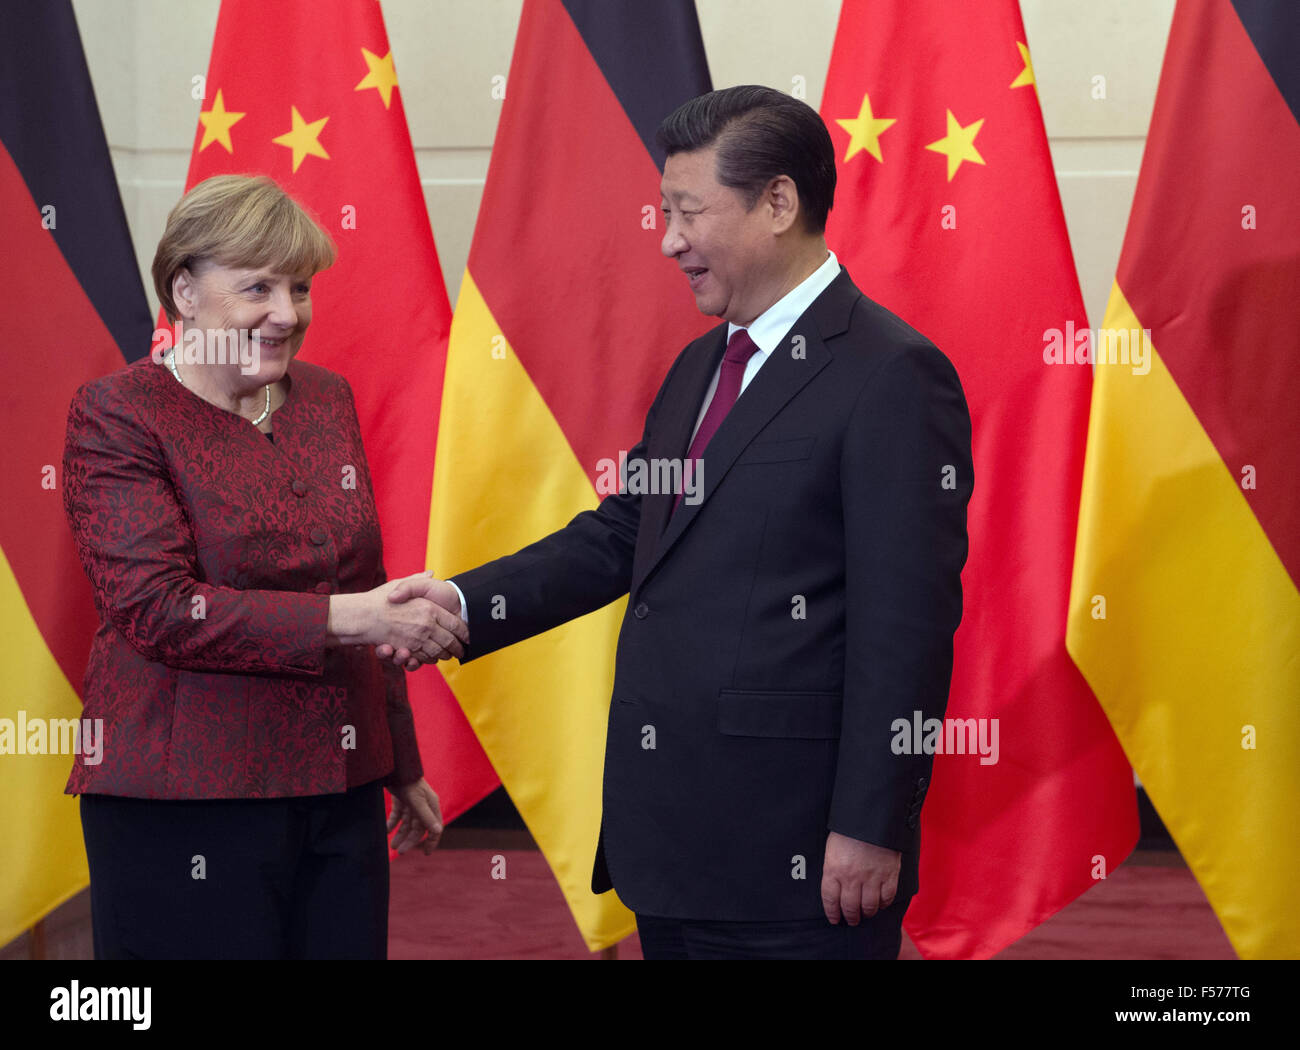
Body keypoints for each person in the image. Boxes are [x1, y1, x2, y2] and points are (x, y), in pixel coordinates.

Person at [386, 86, 973, 959]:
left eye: (688, 212)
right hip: (672, 846)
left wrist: (871, 823)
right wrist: (465, 604)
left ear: (778, 203)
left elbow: (908, 629)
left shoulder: (892, 376)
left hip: (802, 858)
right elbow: (627, 533)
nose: (668, 241)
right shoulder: (703, 362)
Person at [61, 174, 467, 960]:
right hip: (185, 797)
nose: (287, 313)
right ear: (184, 289)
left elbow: (360, 581)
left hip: (338, 786)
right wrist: (356, 618)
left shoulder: (325, 398)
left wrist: (399, 763)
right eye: (257, 287)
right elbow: (158, 609)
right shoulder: (117, 414)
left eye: (300, 287)